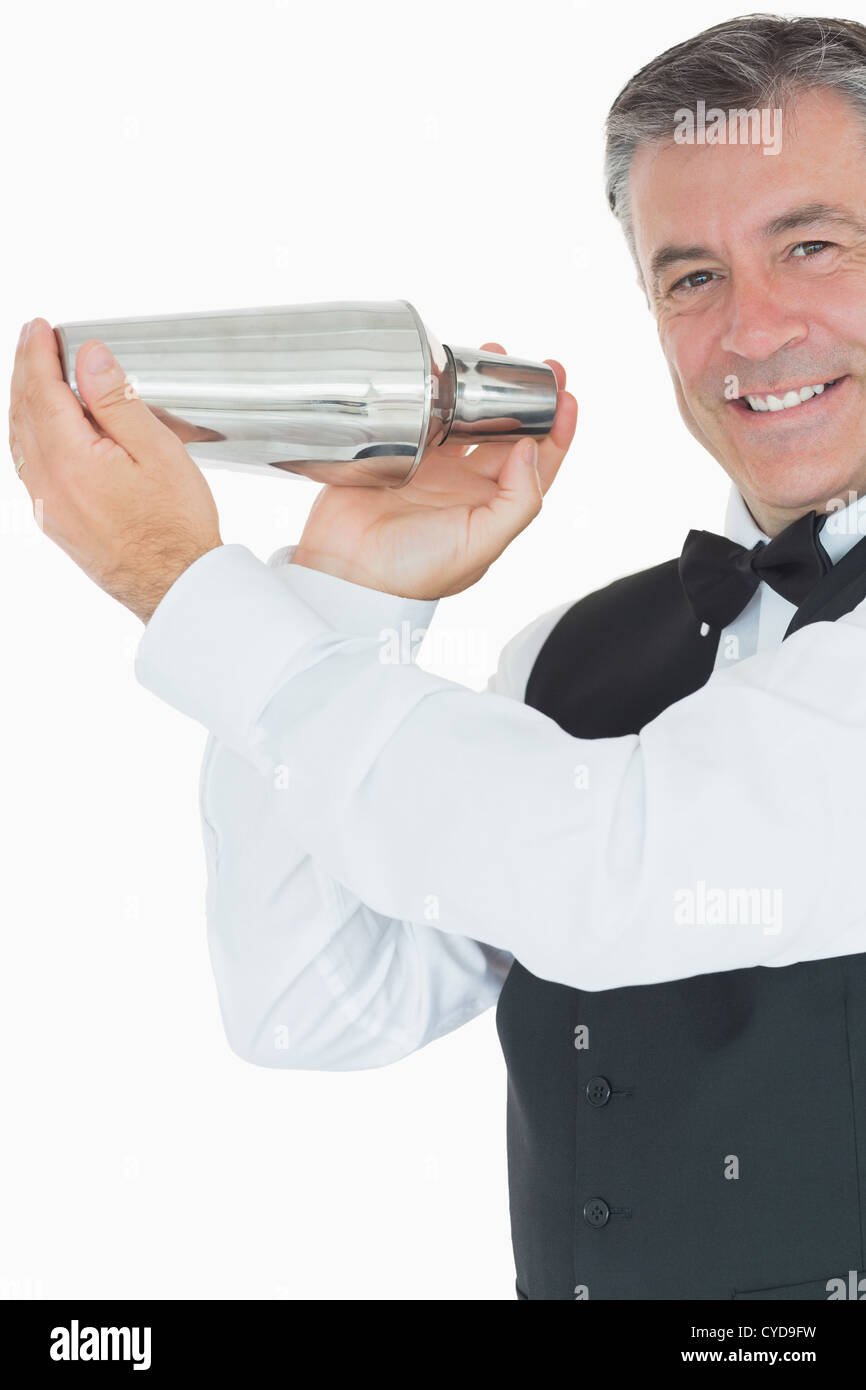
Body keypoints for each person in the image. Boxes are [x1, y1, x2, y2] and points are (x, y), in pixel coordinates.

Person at [10, 11, 866, 1302]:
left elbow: (607, 868)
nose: (749, 332)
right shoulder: (574, 652)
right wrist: (341, 598)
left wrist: (174, 582)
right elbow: (316, 1002)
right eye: (689, 276)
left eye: (810, 245)